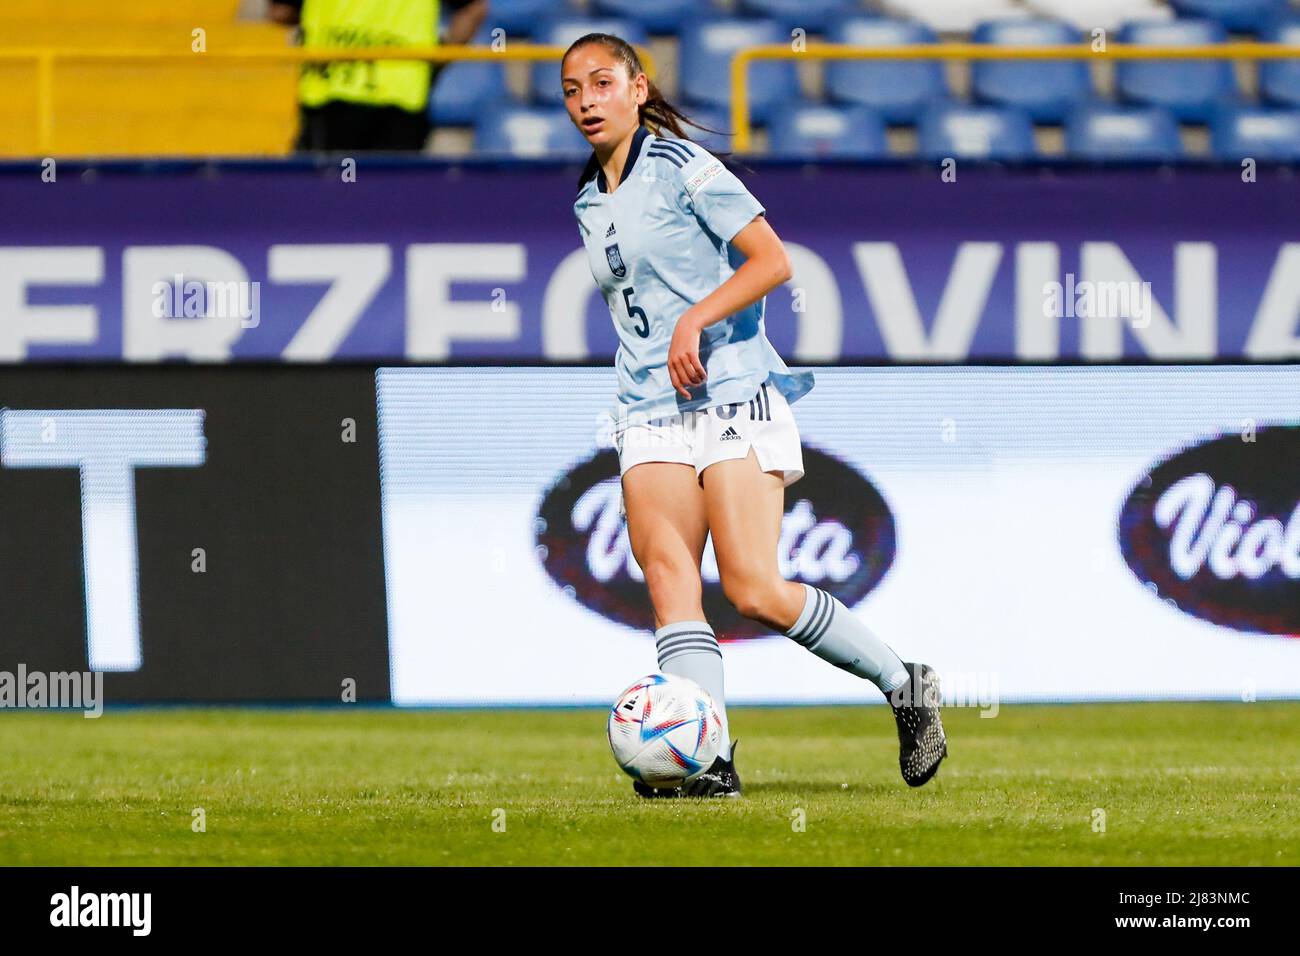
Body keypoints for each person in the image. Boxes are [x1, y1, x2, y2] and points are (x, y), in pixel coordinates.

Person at [563, 34, 949, 798]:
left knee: (752, 588)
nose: (586, 102)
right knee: (671, 583)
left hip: (732, 393)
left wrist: (694, 321)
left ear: (639, 89)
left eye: (602, 83)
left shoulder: (683, 167)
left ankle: (905, 683)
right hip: (647, 409)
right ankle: (707, 761)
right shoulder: (586, 199)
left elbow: (772, 260)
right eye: (572, 90)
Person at [269, 0, 488, 152]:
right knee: (390, 202)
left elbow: (281, 12)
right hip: (400, 99)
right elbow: (475, 9)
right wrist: (438, 58)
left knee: (327, 199)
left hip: (333, 94)